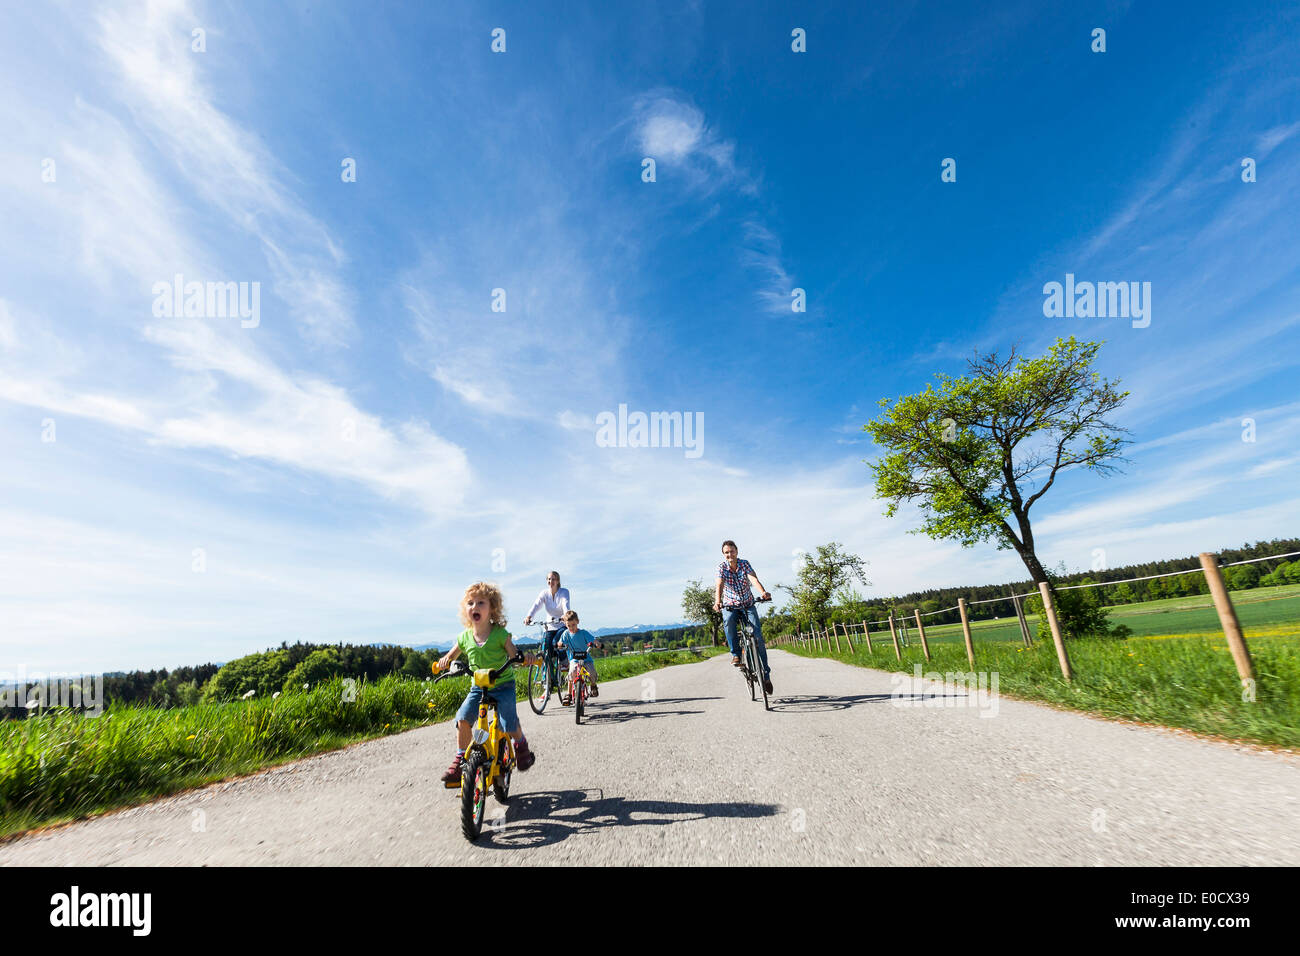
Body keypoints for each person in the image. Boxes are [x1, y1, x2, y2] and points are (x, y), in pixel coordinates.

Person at [438, 581, 540, 785]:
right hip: (479, 687)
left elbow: (514, 655)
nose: (474, 607)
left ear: (492, 608)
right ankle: (460, 759)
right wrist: (444, 661)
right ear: (465, 609)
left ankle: (521, 745)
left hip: (503, 685)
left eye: (481, 603)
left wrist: (523, 658)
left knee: (507, 721)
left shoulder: (500, 635)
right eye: (470, 603)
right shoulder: (465, 637)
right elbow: (451, 655)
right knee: (463, 719)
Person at [713, 540, 773, 694]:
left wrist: (763, 593)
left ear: (737, 551)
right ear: (723, 554)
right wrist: (717, 601)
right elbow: (719, 585)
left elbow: (753, 579)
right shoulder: (721, 568)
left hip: (748, 604)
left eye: (731, 551)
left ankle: (765, 675)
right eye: (726, 552)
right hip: (730, 605)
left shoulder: (745, 564)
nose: (729, 554)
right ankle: (736, 655)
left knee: (758, 637)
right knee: (728, 621)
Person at [523, 570, 571, 678]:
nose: (551, 581)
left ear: (558, 581)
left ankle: (564, 662)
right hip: (549, 626)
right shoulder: (544, 593)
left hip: (561, 625)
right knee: (546, 650)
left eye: (553, 579)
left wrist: (566, 615)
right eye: (549, 579)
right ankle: (549, 679)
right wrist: (529, 616)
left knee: (556, 642)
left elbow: (565, 604)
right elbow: (536, 605)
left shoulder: (564, 592)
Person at [556, 610, 603, 701]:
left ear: (577, 622)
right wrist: (560, 644)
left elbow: (593, 640)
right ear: (566, 624)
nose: (571, 628)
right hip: (574, 659)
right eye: (568, 625)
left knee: (591, 673)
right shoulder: (566, 634)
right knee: (572, 672)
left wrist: (597, 644)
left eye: (573, 625)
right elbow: (560, 642)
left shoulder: (583, 633)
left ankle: (593, 685)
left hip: (586, 659)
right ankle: (569, 694)